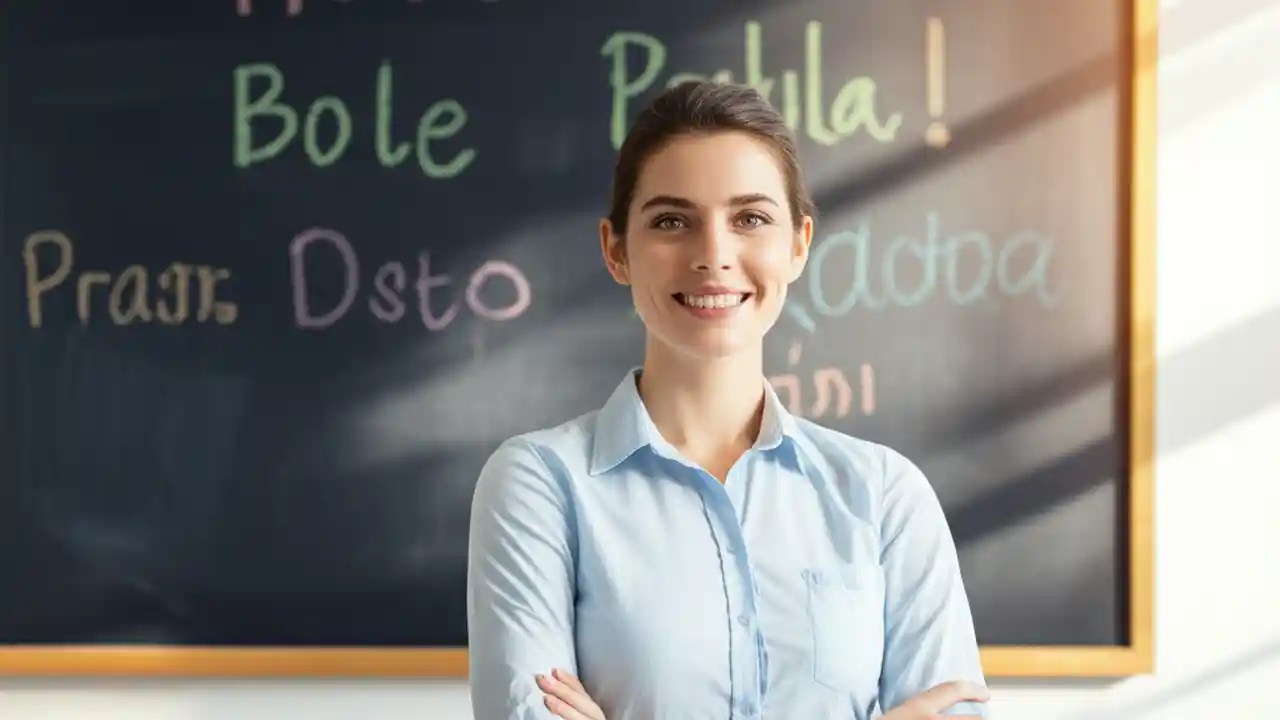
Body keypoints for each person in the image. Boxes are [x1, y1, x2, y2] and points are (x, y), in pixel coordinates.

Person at [466, 80, 990, 720]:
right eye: (671, 221)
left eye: (751, 219)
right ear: (615, 250)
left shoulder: (884, 497)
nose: (713, 255)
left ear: (798, 244)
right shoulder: (539, 486)